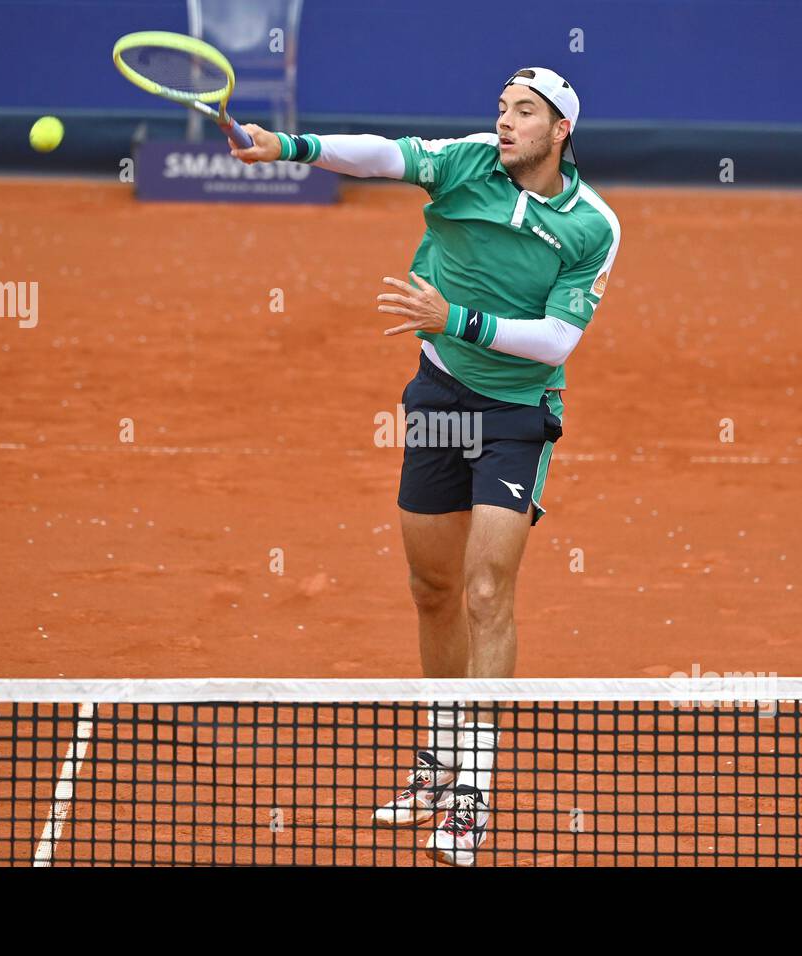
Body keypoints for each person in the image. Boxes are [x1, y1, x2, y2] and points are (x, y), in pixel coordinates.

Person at [229, 67, 621, 865]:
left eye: (525, 113)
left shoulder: (593, 227)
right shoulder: (469, 160)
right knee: (432, 588)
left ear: (561, 132)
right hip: (439, 393)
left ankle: (475, 793)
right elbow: (379, 157)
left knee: (486, 592)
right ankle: (439, 762)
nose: (505, 122)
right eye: (503, 108)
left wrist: (457, 318)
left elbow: (556, 342)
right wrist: (289, 147)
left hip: (517, 415)